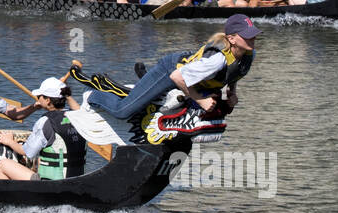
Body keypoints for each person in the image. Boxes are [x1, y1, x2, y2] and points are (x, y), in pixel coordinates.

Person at [81, 14, 260, 134]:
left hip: (194, 80)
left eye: (253, 34)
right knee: (123, 111)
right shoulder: (217, 59)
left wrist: (233, 94)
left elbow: (235, 74)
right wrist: (200, 100)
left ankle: (145, 82)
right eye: (247, 36)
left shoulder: (248, 54)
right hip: (171, 71)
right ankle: (93, 96)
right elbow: (177, 76)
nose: (253, 39)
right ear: (231, 39)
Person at [0, 79, 88, 181]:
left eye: (39, 96)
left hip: (52, 185)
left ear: (47, 100)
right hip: (78, 181)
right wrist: (66, 95)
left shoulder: (45, 122)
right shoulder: (79, 118)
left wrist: (9, 141)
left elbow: (27, 152)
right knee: (38, 161)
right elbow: (79, 111)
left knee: (4, 165)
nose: (37, 99)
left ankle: (6, 197)